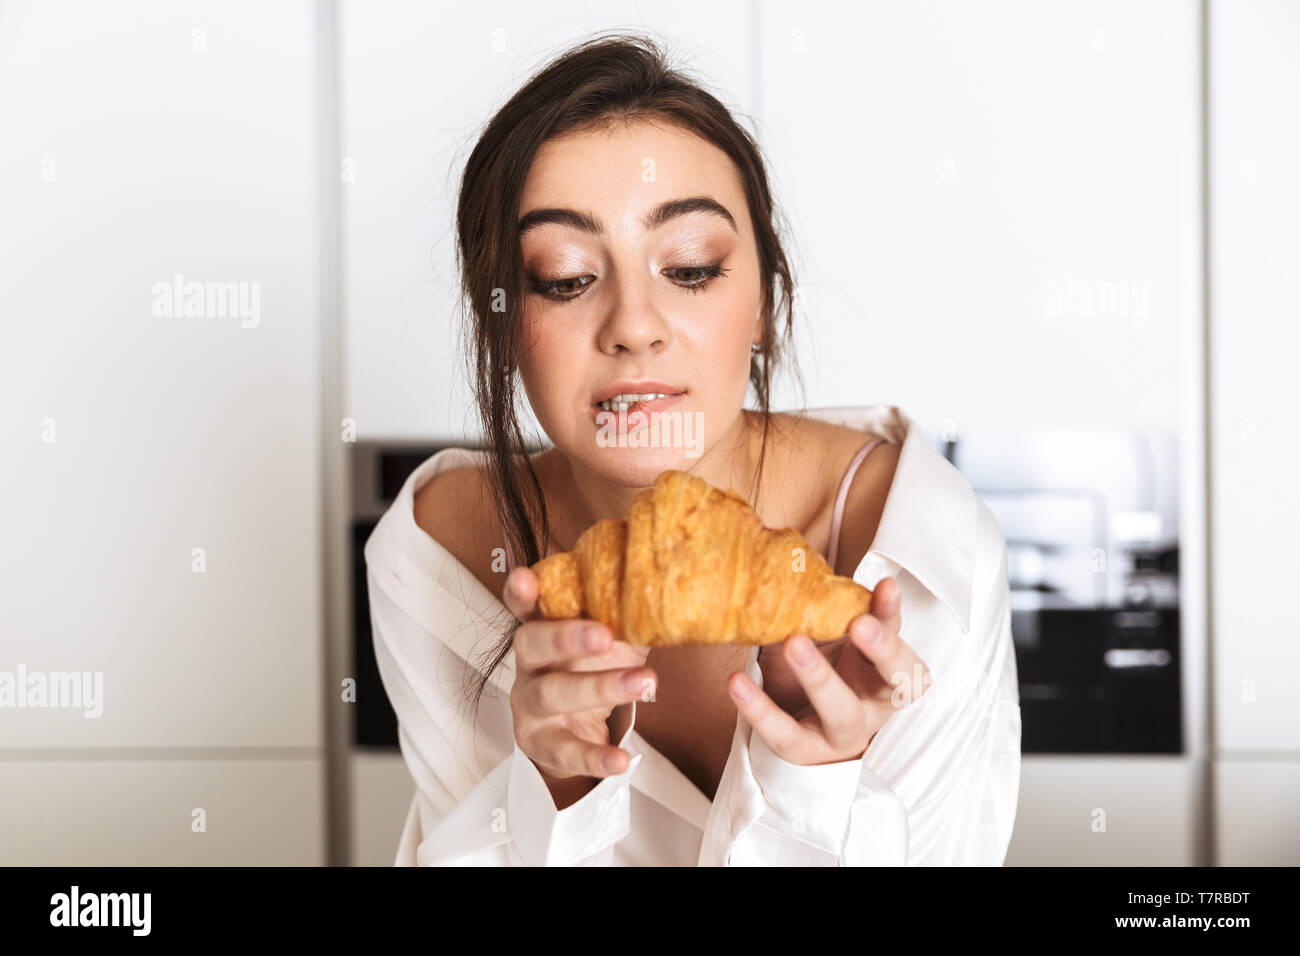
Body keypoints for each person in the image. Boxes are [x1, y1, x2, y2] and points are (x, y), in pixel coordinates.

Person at [364, 32, 1021, 866]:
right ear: (500, 326)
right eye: (566, 277)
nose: (634, 325)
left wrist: (809, 782)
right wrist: (554, 795)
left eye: (691, 266)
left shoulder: (922, 555)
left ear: (761, 304)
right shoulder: (436, 560)